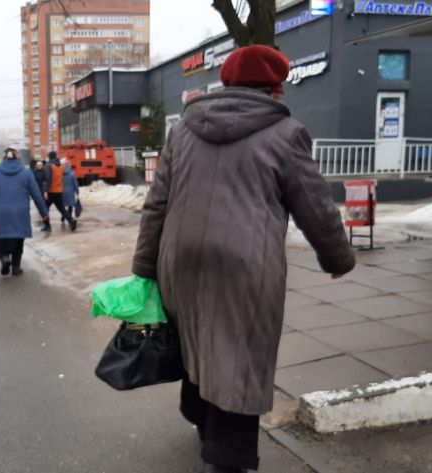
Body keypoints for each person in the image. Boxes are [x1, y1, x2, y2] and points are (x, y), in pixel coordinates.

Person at [131, 46, 355, 473]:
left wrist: (145, 266)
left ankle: (202, 419)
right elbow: (315, 205)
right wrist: (337, 257)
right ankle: (227, 456)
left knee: (197, 339)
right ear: (276, 86)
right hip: (244, 266)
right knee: (240, 354)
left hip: (180, 262)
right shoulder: (286, 133)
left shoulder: (183, 130)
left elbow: (156, 203)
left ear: (228, 82)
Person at [0, 148, 49, 276]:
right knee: (18, 239)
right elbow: (37, 195)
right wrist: (43, 212)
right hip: (20, 212)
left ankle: (4, 258)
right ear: (18, 158)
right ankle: (16, 267)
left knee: (0, 237)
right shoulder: (26, 173)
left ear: (4, 158)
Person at [42, 150, 75, 232]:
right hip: (59, 191)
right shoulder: (60, 166)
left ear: (49, 157)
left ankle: (47, 226)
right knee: (62, 209)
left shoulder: (49, 166)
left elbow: (48, 179)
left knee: (44, 208)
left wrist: (46, 191)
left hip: (50, 191)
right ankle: (71, 221)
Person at [61, 159, 80, 231]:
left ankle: (63, 216)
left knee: (62, 205)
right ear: (69, 165)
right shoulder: (72, 174)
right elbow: (75, 184)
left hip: (62, 191)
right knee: (70, 206)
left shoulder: (60, 173)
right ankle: (69, 217)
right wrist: (77, 191)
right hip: (70, 192)